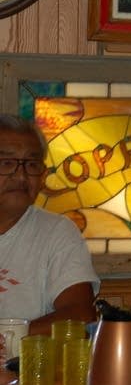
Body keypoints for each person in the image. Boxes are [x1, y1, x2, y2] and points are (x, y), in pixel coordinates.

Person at [0, 114, 98, 335]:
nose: (22, 176)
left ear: (43, 176)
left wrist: (10, 340)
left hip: (27, 366)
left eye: (32, 164)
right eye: (7, 163)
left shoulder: (57, 232)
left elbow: (81, 315)